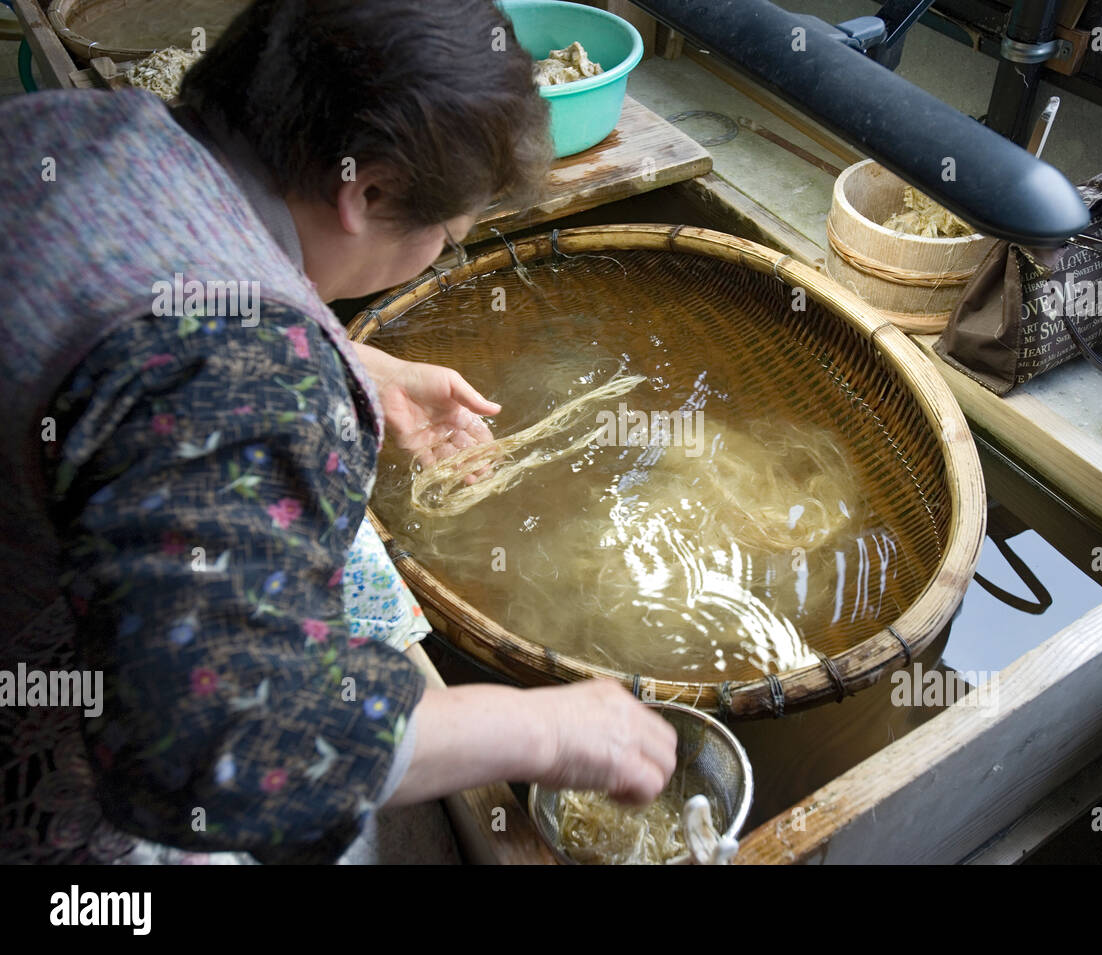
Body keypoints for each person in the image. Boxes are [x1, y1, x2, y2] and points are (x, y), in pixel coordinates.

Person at [0, 0, 675, 864]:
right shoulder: (232, 360)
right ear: (369, 189)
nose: (439, 252)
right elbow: (215, 748)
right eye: (447, 234)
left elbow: (122, 322)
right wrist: (548, 728)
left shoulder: (91, 131)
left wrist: (362, 371)